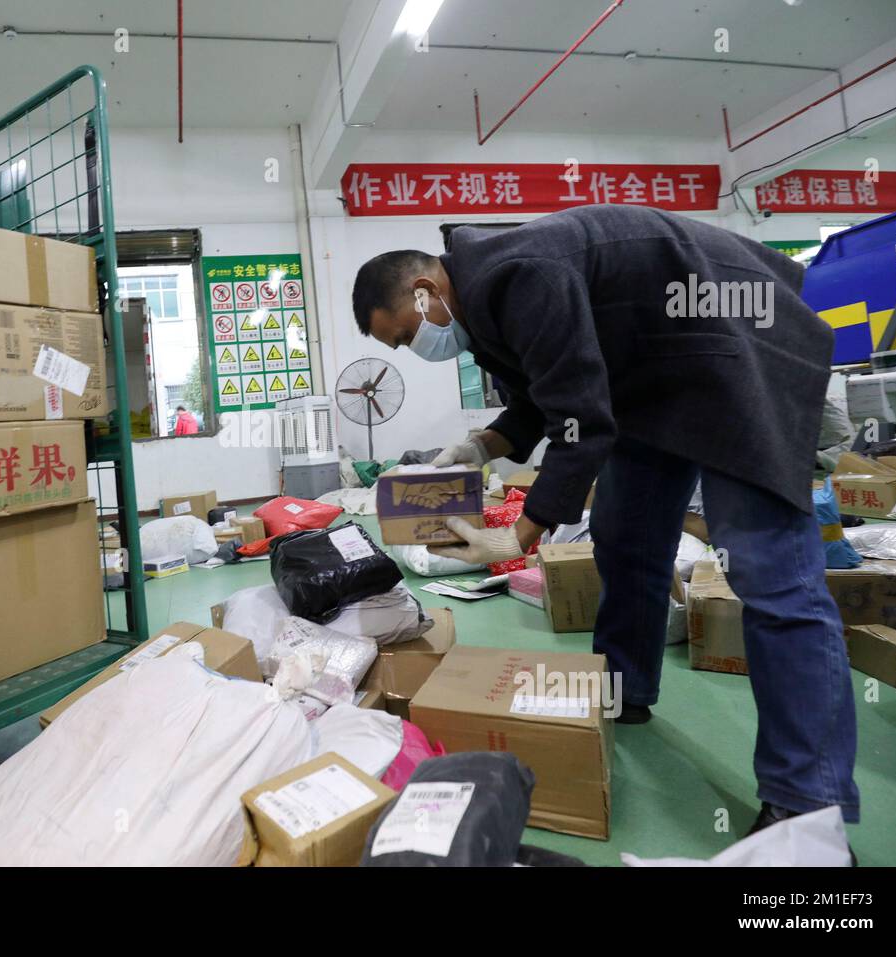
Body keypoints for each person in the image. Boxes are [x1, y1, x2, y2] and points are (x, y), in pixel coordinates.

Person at [350, 205, 858, 838]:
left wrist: (520, 534)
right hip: (653, 377)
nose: (413, 349)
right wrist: (481, 446)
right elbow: (542, 395)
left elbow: (580, 423)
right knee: (625, 538)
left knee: (768, 571)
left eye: (404, 336)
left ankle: (808, 805)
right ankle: (623, 691)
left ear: (426, 291)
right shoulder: (481, 302)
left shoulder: (518, 274)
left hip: (733, 346)